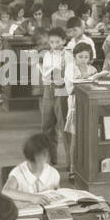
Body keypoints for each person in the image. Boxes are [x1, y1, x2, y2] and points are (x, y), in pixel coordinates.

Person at [36, 30, 75, 167]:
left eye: (57, 42)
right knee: (46, 126)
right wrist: (42, 70)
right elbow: (44, 73)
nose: (54, 45)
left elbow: (70, 75)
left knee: (64, 127)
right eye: (51, 42)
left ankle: (71, 164)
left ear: (64, 41)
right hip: (48, 90)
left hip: (62, 90)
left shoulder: (69, 55)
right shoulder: (47, 54)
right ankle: (51, 160)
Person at [2, 133, 63, 205]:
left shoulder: (53, 173)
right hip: (27, 213)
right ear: (28, 158)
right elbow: (6, 191)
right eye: (35, 161)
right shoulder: (19, 173)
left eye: (45, 156)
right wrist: (32, 197)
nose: (39, 165)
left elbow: (59, 194)